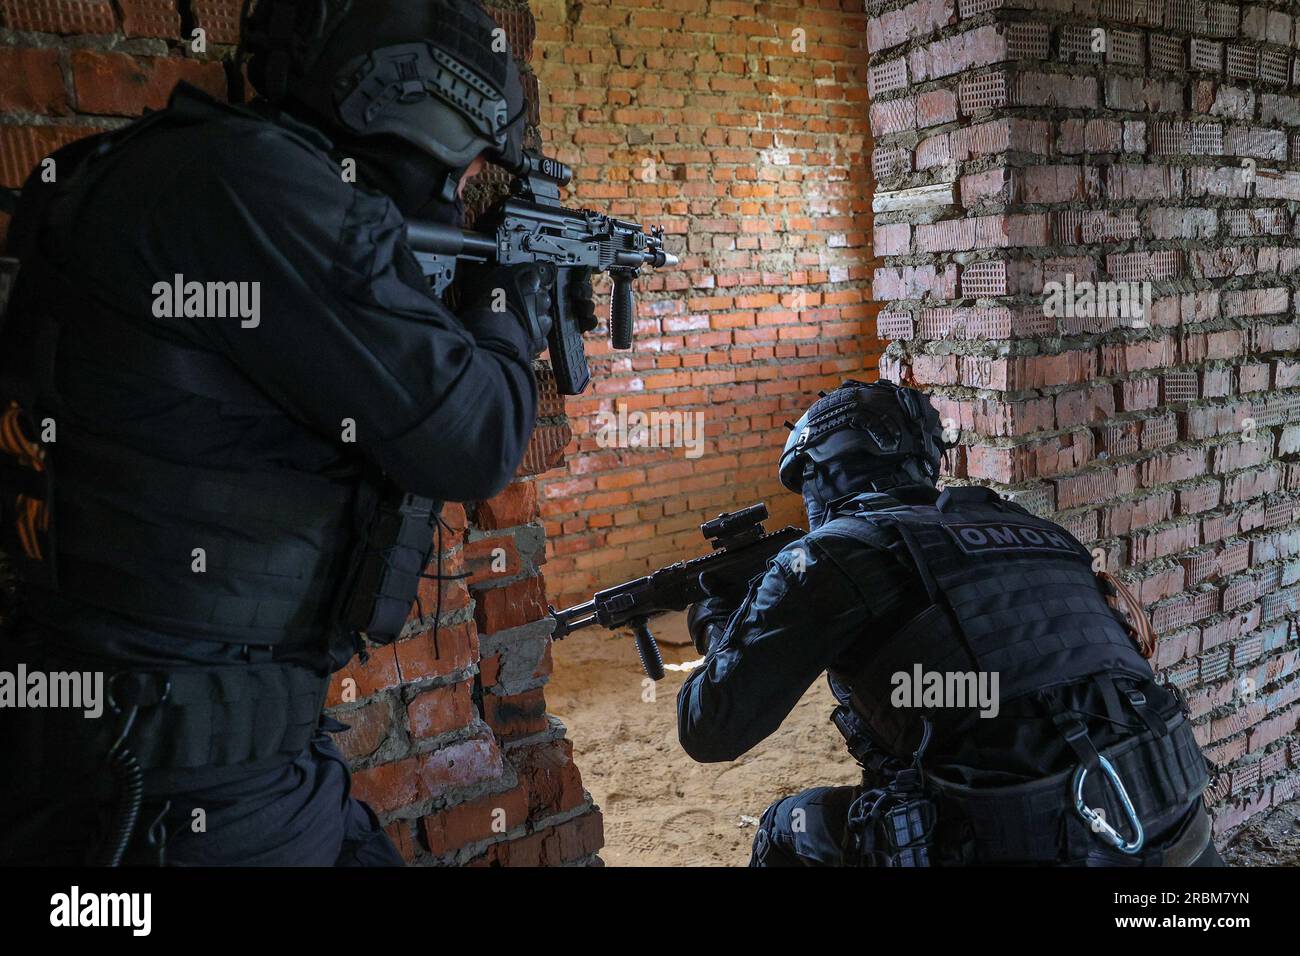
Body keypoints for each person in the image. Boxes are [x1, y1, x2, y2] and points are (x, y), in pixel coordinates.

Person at [0, 0, 578, 866]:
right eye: (465, 165)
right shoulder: (263, 189)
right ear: (417, 110)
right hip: (177, 781)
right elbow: (475, 437)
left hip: (197, 746)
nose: (464, 192)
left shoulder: (185, 169)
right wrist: (508, 306)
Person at [678, 379, 1221, 867]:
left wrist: (719, 621)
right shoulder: (1033, 529)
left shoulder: (829, 556)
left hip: (1028, 837)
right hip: (1174, 813)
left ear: (822, 470)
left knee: (785, 827)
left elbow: (712, 728)